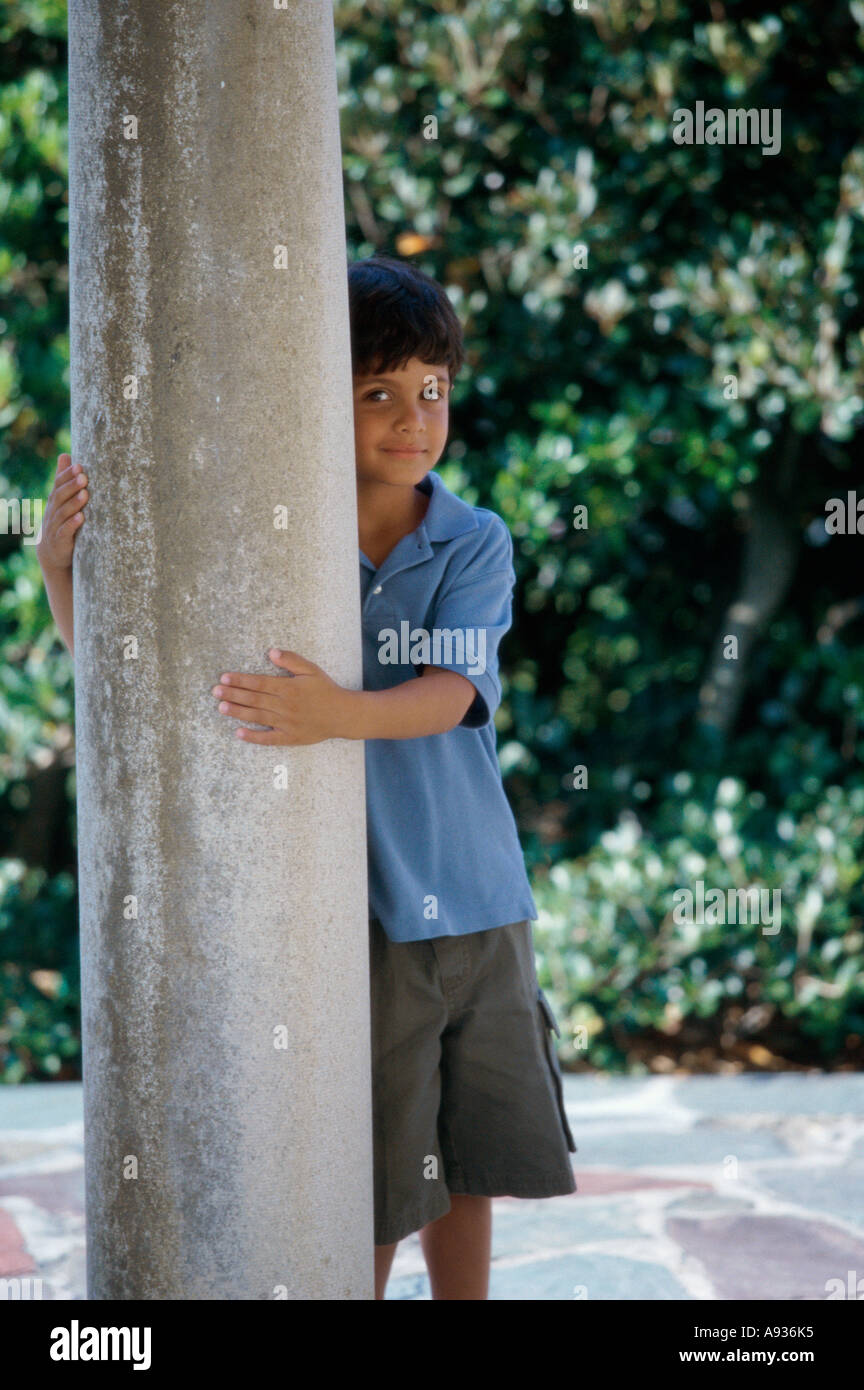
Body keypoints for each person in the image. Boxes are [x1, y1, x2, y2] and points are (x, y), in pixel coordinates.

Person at [36, 252, 577, 1302]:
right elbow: (141, 691)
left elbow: (455, 693)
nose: (413, 418)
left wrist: (336, 714)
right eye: (378, 392)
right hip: (360, 922)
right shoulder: (281, 543)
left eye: (432, 391)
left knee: (472, 1154)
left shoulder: (473, 540)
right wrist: (63, 569)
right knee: (379, 1165)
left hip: (477, 894)